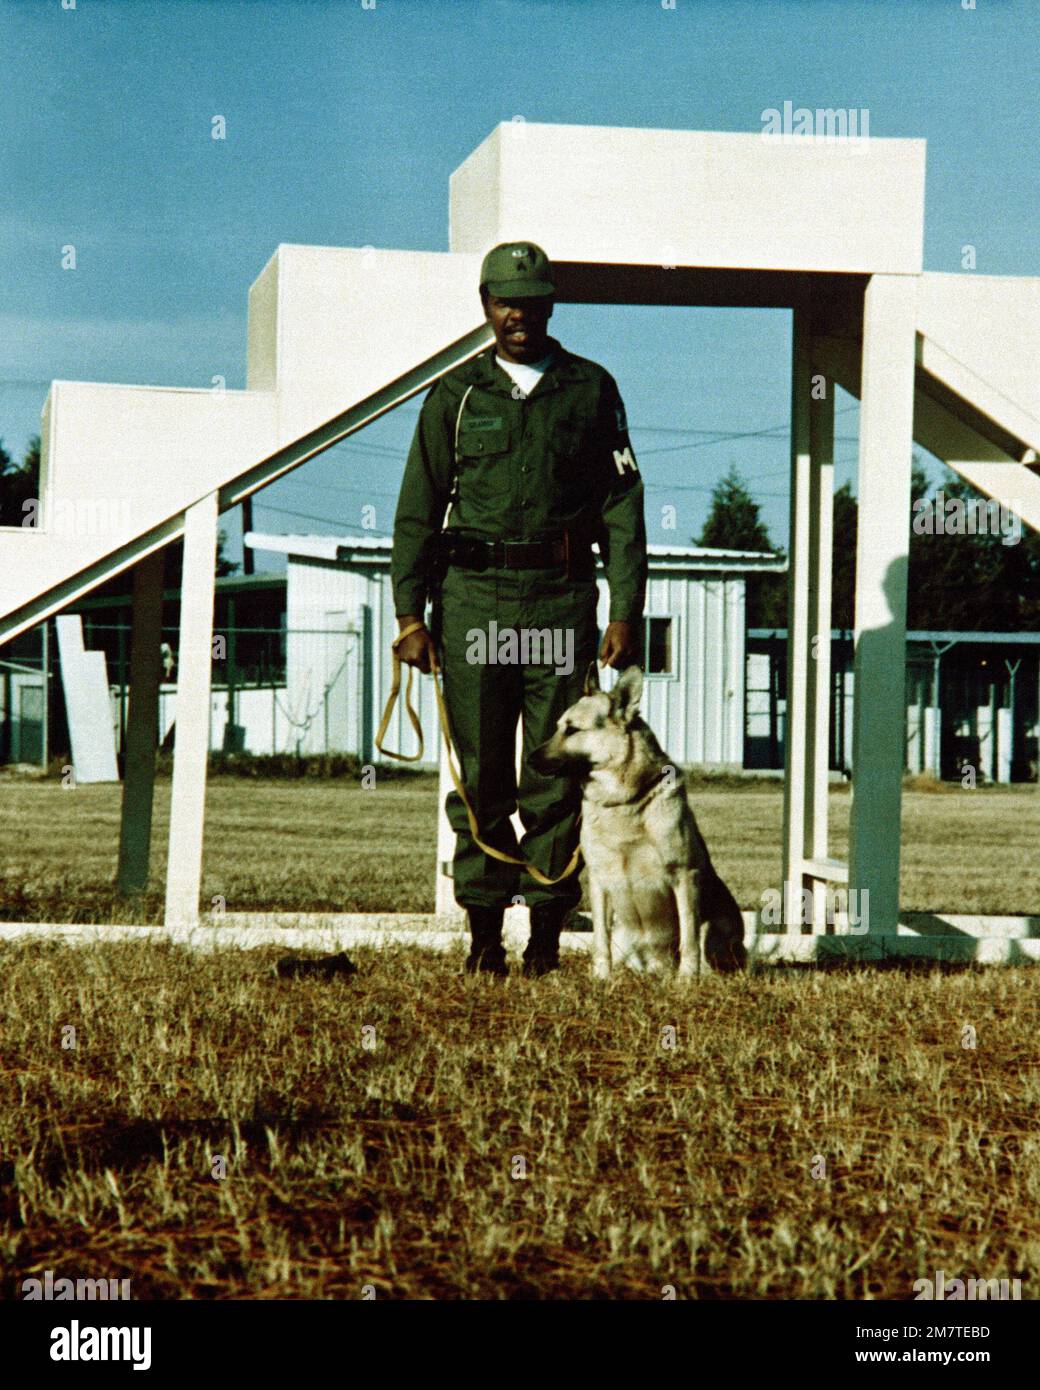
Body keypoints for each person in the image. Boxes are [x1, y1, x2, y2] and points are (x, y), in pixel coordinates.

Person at [392, 241, 647, 977]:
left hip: (561, 606)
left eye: (531, 302)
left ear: (549, 306)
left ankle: (543, 939)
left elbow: (623, 505)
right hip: (473, 607)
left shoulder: (591, 390)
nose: (518, 316)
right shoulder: (455, 395)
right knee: (481, 776)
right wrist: (410, 615)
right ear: (485, 306)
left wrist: (625, 611)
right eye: (505, 302)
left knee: (556, 771)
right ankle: (481, 940)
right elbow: (417, 509)